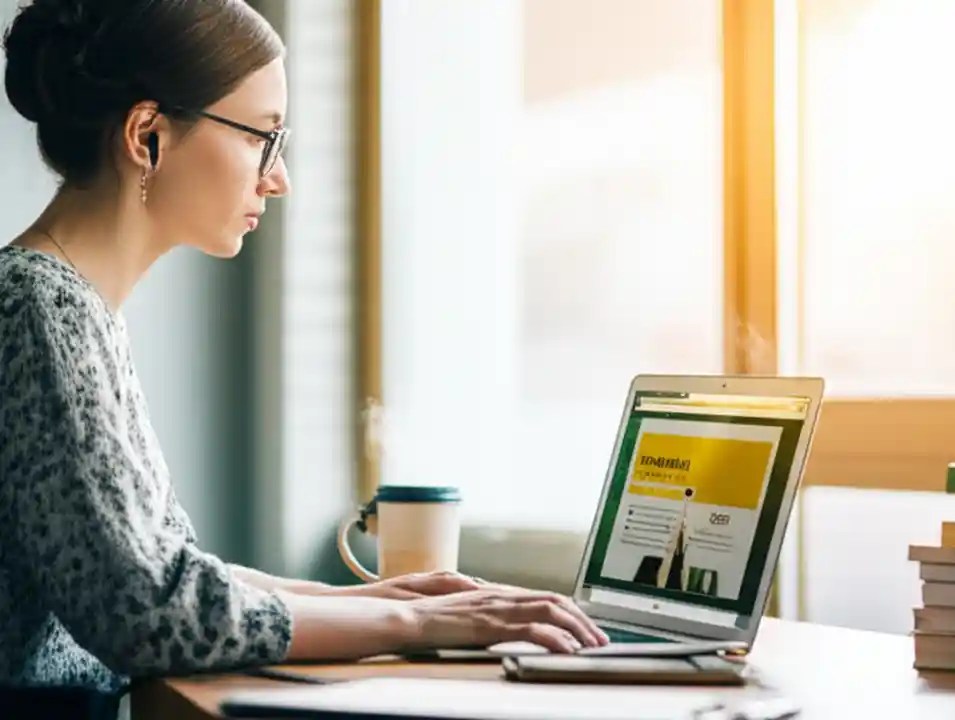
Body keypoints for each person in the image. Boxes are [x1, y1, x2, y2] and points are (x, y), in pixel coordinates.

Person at [0, 1, 606, 716]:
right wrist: (419, 623)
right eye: (264, 136)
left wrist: (370, 599)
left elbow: (165, 572)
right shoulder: (39, 310)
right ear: (148, 135)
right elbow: (150, 609)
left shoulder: (72, 308)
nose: (278, 177)